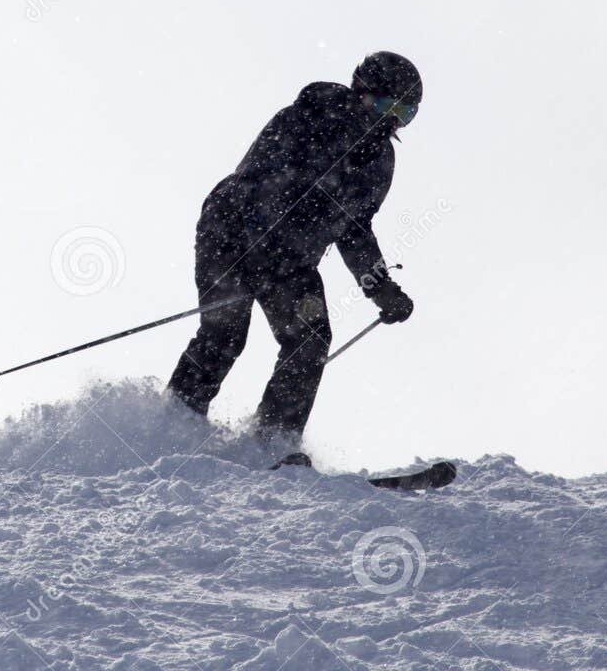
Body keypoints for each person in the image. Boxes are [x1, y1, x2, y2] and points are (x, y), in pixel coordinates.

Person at [166, 51, 422, 466]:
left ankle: (271, 443)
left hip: (290, 260)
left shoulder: (379, 161)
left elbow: (356, 230)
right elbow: (262, 176)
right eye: (383, 105)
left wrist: (381, 287)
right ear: (360, 93)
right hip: (231, 234)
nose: (389, 119)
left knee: (310, 339)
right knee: (226, 331)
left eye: (403, 113)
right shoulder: (310, 115)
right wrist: (261, 237)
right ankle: (171, 427)